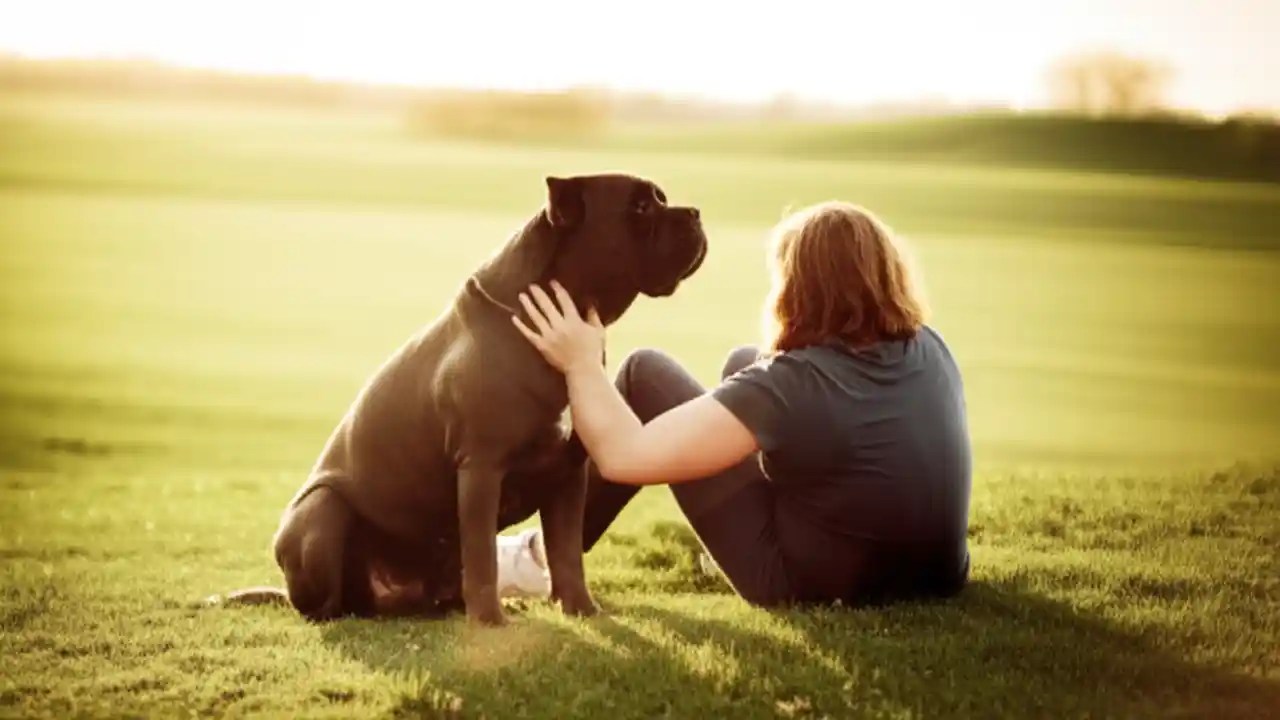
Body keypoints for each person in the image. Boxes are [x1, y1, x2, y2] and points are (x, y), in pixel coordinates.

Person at [495, 200, 972, 607]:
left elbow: (624, 455)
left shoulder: (793, 385)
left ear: (800, 288)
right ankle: (733, 538)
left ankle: (539, 561)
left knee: (646, 375)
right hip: (937, 575)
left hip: (806, 586)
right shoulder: (931, 346)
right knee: (744, 362)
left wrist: (581, 362)